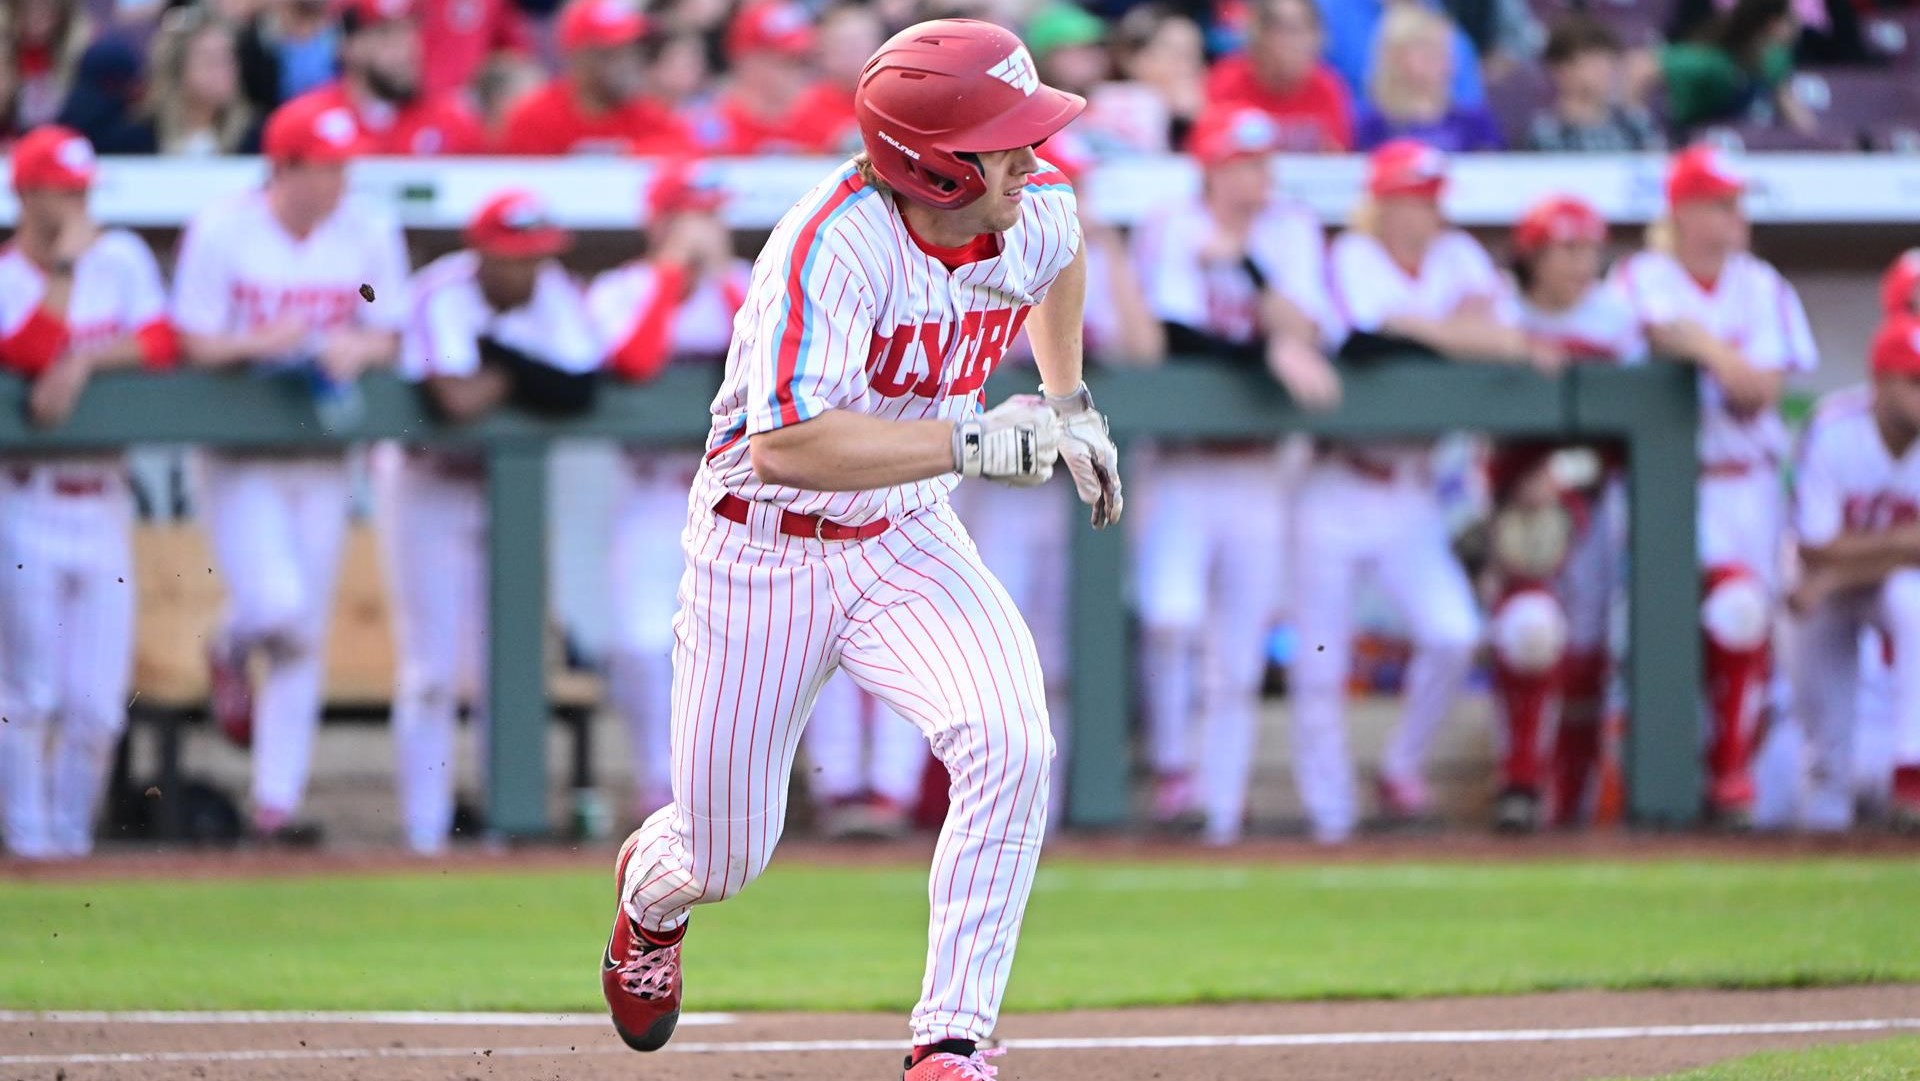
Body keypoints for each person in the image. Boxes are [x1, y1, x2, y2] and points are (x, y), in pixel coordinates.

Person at [598, 21, 1122, 1081]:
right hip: (762, 552)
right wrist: (973, 435)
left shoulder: (1029, 205)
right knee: (722, 854)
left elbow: (1063, 248)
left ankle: (951, 1041)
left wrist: (1068, 399)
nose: (1028, 157)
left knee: (1012, 743)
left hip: (906, 534)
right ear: (932, 162)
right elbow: (784, 445)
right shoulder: (828, 244)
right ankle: (649, 905)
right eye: (1002, 138)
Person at [1296, 140, 1552, 844]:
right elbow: (1375, 337)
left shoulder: (1459, 255)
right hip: (1338, 478)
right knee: (1322, 660)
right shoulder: (1352, 253)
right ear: (1383, 201)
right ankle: (1331, 818)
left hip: (1411, 487)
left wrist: (1434, 330)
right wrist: (1453, 329)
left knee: (1454, 632)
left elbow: (1507, 342)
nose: (1427, 210)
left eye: (1433, 196)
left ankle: (1400, 766)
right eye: (1413, 196)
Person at [171, 95, 410, 844]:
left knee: (303, 630)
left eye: (343, 166)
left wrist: (357, 347)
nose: (336, 181)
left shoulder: (366, 230)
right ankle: (227, 645)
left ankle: (276, 803)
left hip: (322, 451)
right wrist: (262, 341)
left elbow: (388, 325)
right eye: (322, 166)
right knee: (273, 604)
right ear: (284, 166)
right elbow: (193, 339)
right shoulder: (225, 227)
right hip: (241, 453)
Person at [1129, 106, 1340, 844]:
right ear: (1211, 168)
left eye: (1262, 164)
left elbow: (1309, 329)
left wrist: (1248, 274)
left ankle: (1215, 813)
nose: (1256, 178)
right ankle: (1171, 767)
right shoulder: (1174, 222)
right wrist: (1267, 348)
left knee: (1239, 654)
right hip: (1182, 462)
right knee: (1168, 615)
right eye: (1242, 164)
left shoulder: (1290, 226)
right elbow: (1178, 337)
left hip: (1257, 466)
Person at [379, 190, 599, 856]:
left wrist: (498, 362)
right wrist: (527, 377)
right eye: (514, 256)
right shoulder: (439, 292)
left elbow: (583, 384)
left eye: (537, 255)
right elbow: (453, 400)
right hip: (428, 485)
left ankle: (505, 822)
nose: (529, 269)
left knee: (508, 662)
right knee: (431, 669)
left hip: (507, 493)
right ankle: (424, 827)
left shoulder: (555, 292)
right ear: (481, 251)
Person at [1611, 145, 1818, 822]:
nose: (1737, 217)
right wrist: (1714, 350)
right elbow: (1655, 328)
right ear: (1685, 211)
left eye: (1738, 203)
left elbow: (1762, 389)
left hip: (1744, 484)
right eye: (1722, 204)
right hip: (1662, 481)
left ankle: (1729, 779)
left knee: (1743, 621)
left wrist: (1711, 351)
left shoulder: (1762, 284)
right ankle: (1644, 789)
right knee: (1648, 638)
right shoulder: (1643, 272)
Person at [0, 127, 178, 860]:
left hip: (102, 494)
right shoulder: (12, 270)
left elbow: (163, 343)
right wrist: (66, 273)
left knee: (98, 705)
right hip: (26, 498)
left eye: (81, 191)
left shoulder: (122, 255)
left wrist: (88, 361)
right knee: (30, 692)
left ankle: (71, 840)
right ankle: (29, 839)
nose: (74, 204)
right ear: (26, 192)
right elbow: (28, 355)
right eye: (60, 191)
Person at [586, 159, 753, 822]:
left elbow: (771, 356)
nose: (708, 227)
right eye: (693, 213)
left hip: (739, 497)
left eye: (714, 213)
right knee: (641, 641)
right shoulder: (623, 288)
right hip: (652, 491)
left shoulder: (745, 288)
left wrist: (716, 280)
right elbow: (635, 360)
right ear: (660, 223)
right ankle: (661, 779)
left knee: (741, 649)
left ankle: (721, 790)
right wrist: (671, 280)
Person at [1485, 194, 1646, 832]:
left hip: (1590, 499)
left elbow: (1632, 434)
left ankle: (1574, 808)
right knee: (1528, 632)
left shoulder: (1616, 320)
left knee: (1587, 655)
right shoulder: (1494, 309)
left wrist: (1565, 474)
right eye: (1567, 249)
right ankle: (1521, 785)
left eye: (1591, 248)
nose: (1584, 263)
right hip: (1502, 499)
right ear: (1531, 255)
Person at [1786, 316, 1920, 832]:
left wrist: (1848, 567)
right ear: (1882, 381)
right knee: (1826, 752)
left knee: (1913, 597)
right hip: (1816, 588)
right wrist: (1905, 543)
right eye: (1915, 381)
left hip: (1857, 585)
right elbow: (1816, 549)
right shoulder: (1835, 427)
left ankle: (1912, 772)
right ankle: (1822, 848)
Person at [496, 0, 695, 156]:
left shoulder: (649, 116)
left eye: (632, 51)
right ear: (578, 58)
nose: (627, 63)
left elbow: (687, 152)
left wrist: (627, 155)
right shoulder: (534, 118)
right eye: (612, 53)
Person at [290, 0, 484, 156]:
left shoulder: (452, 122)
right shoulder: (307, 122)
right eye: (386, 34)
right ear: (347, 44)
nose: (405, 48)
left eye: (410, 30)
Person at [1204, 0, 1354, 152]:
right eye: (1285, 30)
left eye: (1305, 30)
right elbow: (1210, 150)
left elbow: (1338, 160)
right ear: (1259, 34)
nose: (1296, 43)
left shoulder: (1328, 88)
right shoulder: (1226, 82)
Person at [695, 2, 842, 154]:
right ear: (749, 62)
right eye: (788, 61)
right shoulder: (712, 130)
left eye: (805, 61)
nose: (800, 72)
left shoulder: (824, 121)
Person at [1355, 4, 1503, 151]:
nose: (1443, 60)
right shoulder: (1371, 127)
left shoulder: (1474, 123)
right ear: (1395, 57)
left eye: (1445, 52)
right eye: (1429, 52)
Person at [1657, 0, 1816, 137]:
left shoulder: (1774, 60)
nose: (1798, 25)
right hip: (1696, 148)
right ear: (1774, 24)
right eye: (1791, 19)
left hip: (1746, 148)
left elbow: (1789, 106)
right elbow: (1643, 67)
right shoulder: (1708, 62)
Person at [122, 5, 261, 155]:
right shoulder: (139, 137)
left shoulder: (252, 137)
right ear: (177, 67)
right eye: (210, 60)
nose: (225, 71)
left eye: (229, 59)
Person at [1526, 16, 1664, 153]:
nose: (1605, 71)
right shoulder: (1547, 133)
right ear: (1562, 70)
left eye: (1609, 61)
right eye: (1593, 62)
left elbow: (1656, 167)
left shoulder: (1634, 124)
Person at [1081, 6, 1207, 152]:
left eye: (1194, 53)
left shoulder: (1205, 105)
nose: (1188, 66)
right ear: (1131, 58)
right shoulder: (1108, 103)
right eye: (1175, 53)